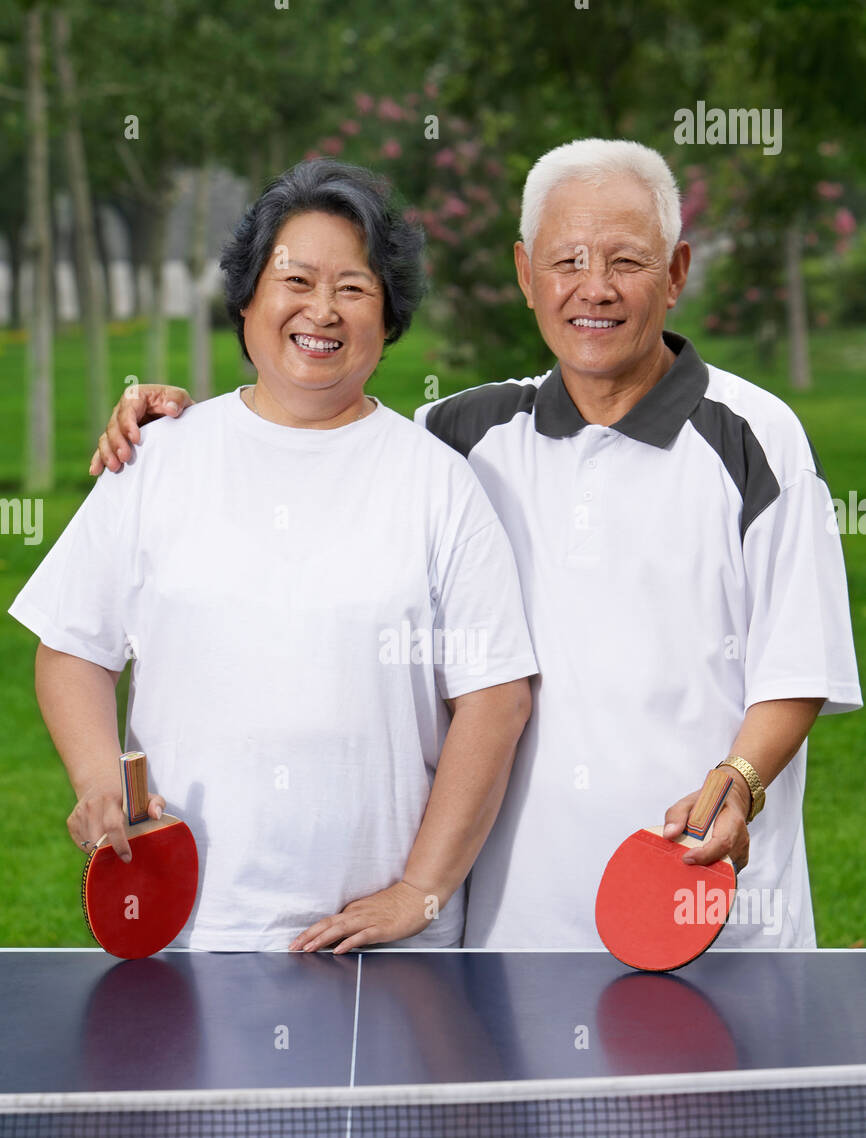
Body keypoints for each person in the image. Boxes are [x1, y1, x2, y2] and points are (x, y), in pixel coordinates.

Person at [88, 140, 862, 950]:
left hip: (710, 918)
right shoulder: (460, 436)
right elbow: (319, 416)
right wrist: (181, 419)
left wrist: (739, 779)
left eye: (628, 261)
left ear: (675, 274)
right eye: (566, 260)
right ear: (527, 276)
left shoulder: (757, 438)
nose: (593, 288)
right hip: (513, 938)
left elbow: (796, 666)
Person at [9, 160, 537, 952]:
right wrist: (98, 779)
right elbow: (73, 648)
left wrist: (419, 892)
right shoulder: (156, 461)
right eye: (295, 279)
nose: (321, 310)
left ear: (388, 317)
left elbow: (495, 700)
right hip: (195, 930)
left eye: (354, 288)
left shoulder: (439, 483)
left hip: (385, 951)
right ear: (248, 297)